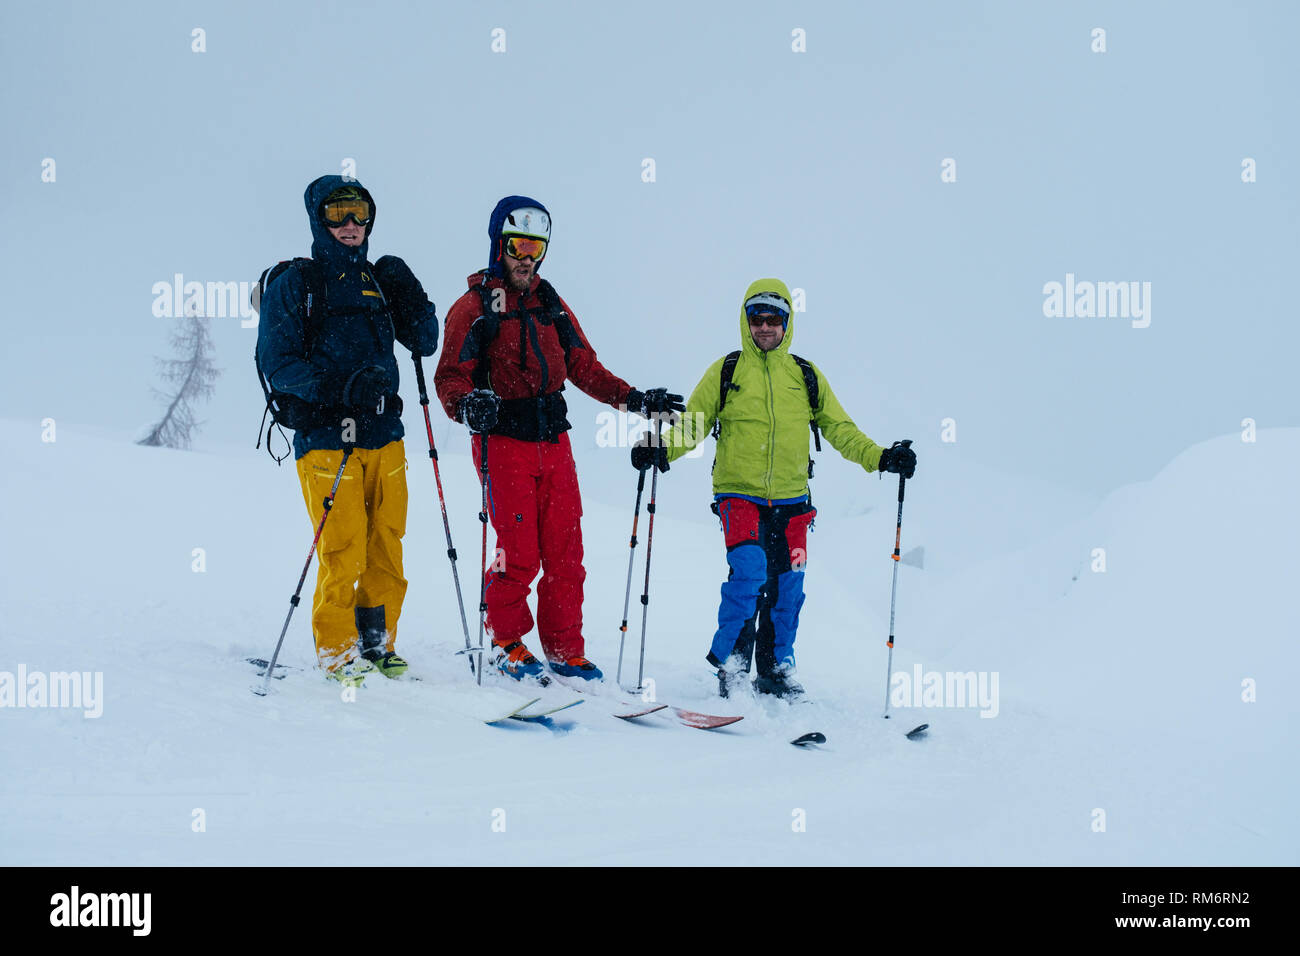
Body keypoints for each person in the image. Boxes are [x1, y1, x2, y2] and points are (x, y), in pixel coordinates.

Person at [631, 278, 916, 700]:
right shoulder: (726, 370)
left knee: (788, 588)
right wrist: (661, 449)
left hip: (793, 501)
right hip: (739, 495)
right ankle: (732, 663)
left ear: (787, 323)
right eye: (756, 318)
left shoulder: (804, 375)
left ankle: (776, 668)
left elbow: (840, 429)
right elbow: (693, 424)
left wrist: (881, 457)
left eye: (773, 319)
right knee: (748, 575)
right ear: (745, 321)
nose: (765, 327)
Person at [435, 195, 682, 682]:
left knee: (567, 554)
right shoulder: (473, 308)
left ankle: (565, 648)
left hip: (555, 440)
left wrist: (633, 400)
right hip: (503, 441)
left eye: (537, 248)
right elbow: (449, 377)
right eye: (518, 245)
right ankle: (506, 639)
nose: (527, 257)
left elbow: (582, 366)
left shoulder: (550, 302)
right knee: (520, 552)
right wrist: (467, 405)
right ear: (498, 245)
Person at [256, 175, 439, 683]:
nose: (351, 224)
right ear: (319, 219)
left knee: (387, 542)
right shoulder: (300, 283)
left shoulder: (379, 279)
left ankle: (377, 643)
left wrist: (411, 297)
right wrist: (340, 390)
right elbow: (277, 362)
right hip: (326, 438)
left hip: (386, 433)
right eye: (338, 213)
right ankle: (337, 650)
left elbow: (425, 340)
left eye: (359, 212)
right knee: (343, 547)